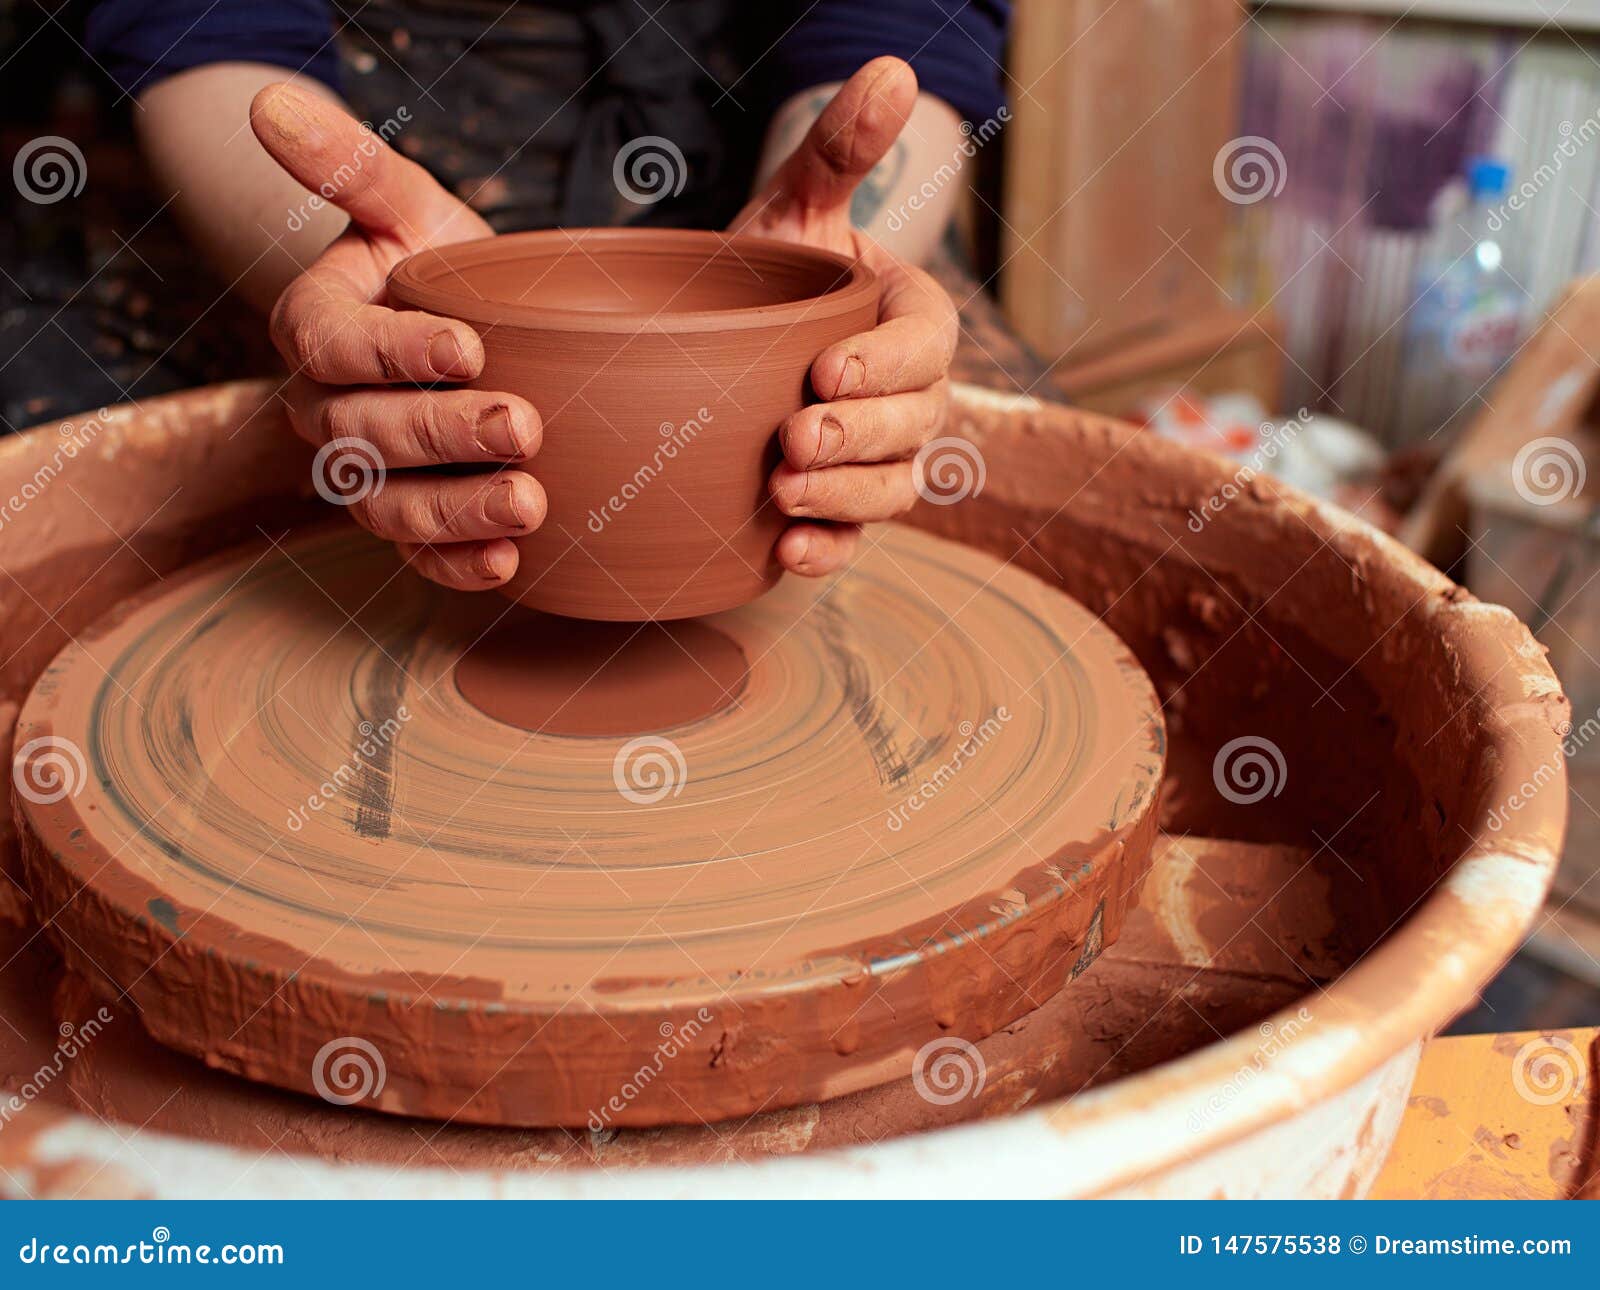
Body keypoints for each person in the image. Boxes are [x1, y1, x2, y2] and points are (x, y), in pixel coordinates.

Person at [84, 1, 1011, 590]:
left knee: (1009, 482)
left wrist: (828, 280)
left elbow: (904, 30)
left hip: (768, 150)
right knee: (104, 499)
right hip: (344, 177)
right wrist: (357, 270)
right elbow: (201, 29)